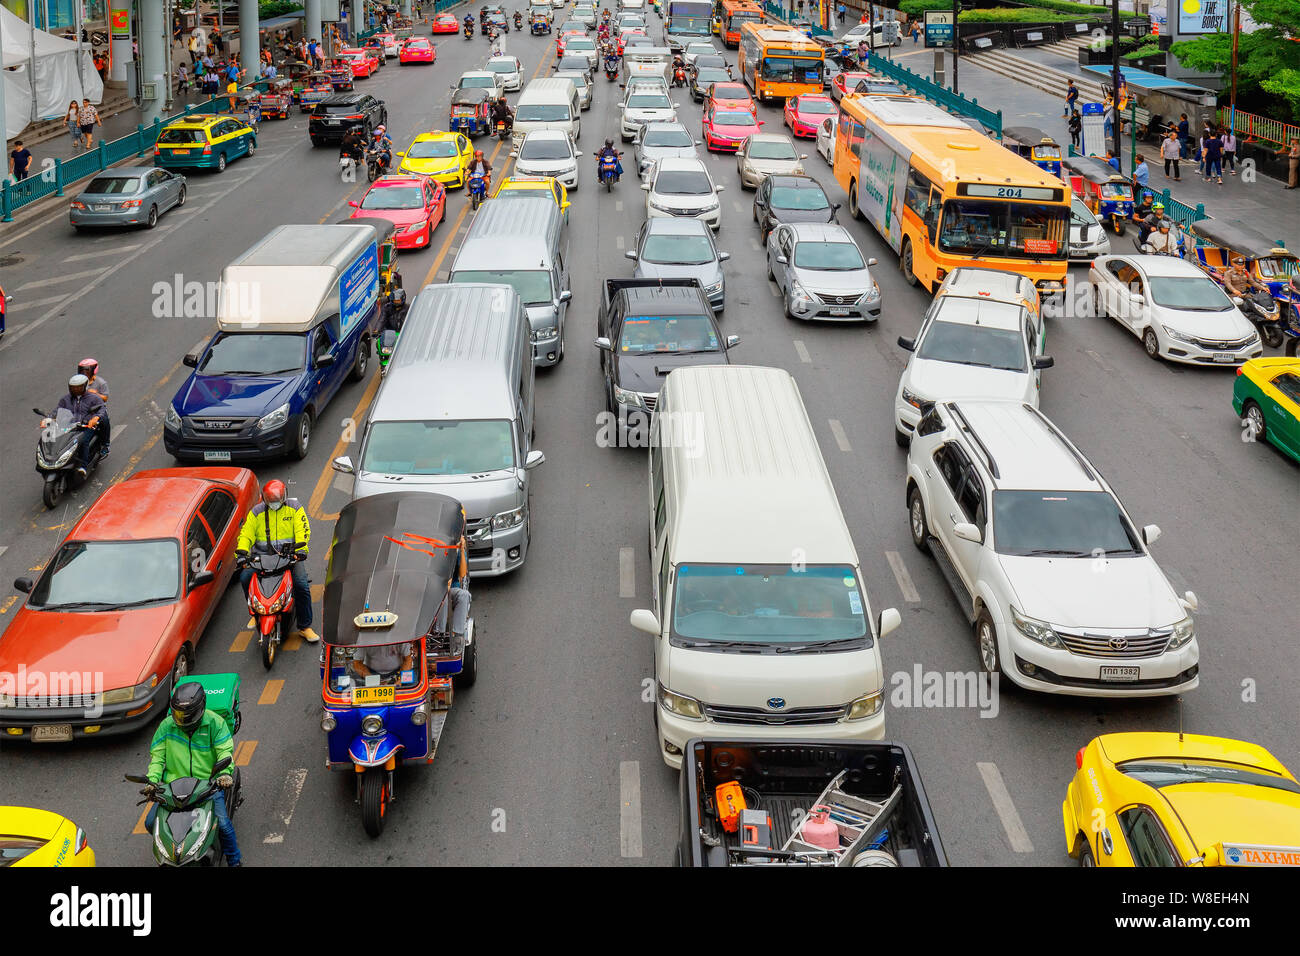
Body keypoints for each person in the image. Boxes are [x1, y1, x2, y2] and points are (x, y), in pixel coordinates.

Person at [144, 681, 241, 867]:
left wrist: (224, 774)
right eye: (177, 714)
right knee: (150, 824)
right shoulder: (166, 726)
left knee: (223, 827)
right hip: (172, 790)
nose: (180, 719)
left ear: (200, 709)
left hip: (207, 787)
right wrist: (152, 781)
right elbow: (157, 758)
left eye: (185, 715)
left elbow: (224, 751)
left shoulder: (215, 723)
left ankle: (234, 861)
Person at [236, 479, 318, 643]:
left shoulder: (294, 508)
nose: (274, 503)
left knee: (301, 585)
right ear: (265, 499)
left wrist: (300, 550)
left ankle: (305, 626)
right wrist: (242, 553)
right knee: (245, 578)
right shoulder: (256, 512)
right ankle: (255, 612)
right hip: (262, 558)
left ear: (284, 497)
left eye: (277, 500)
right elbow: (246, 534)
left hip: (289, 557)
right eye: (271, 501)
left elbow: (303, 530)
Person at [55, 374, 105, 477]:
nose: (76, 390)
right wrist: (50, 418)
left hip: (86, 426)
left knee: (83, 441)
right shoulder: (66, 399)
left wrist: (95, 418)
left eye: (78, 387)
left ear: (85, 386)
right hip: (71, 426)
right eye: (73, 387)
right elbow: (58, 410)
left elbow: (101, 409)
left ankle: (83, 466)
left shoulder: (93, 398)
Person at [77, 359, 110, 455]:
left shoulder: (101, 383)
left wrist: (96, 394)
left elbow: (105, 398)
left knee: (104, 421)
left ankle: (106, 444)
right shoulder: (78, 382)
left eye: (87, 370)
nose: (84, 373)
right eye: (82, 370)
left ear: (93, 370)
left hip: (97, 410)